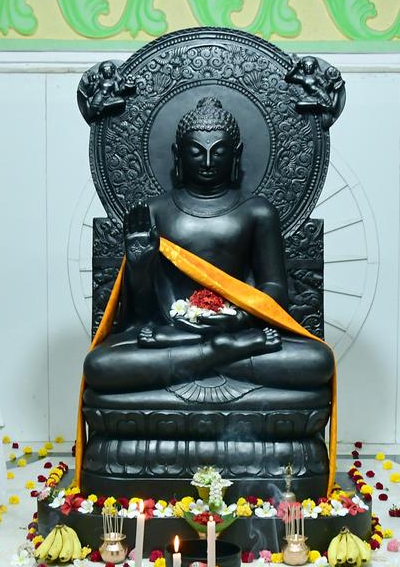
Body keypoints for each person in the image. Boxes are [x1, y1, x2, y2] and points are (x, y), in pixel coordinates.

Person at [82, 97, 332, 395]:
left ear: (236, 153)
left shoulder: (258, 212)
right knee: (99, 365)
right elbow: (143, 314)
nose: (209, 162)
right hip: (170, 329)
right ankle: (220, 353)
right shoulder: (154, 212)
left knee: (318, 361)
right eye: (197, 152)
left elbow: (274, 287)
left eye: (220, 152)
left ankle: (202, 355)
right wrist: (140, 268)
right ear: (178, 154)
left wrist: (238, 319)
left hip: (231, 329)